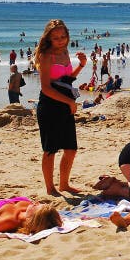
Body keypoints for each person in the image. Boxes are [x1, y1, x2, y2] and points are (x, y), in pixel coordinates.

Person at [34, 20, 87, 195]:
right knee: (50, 149)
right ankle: (50, 188)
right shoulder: (46, 56)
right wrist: (70, 102)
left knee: (71, 149)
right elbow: (46, 88)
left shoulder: (65, 51)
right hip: (50, 105)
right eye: (56, 38)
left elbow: (67, 79)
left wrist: (81, 65)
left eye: (63, 36)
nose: (60, 40)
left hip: (65, 103)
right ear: (48, 38)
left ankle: (64, 184)